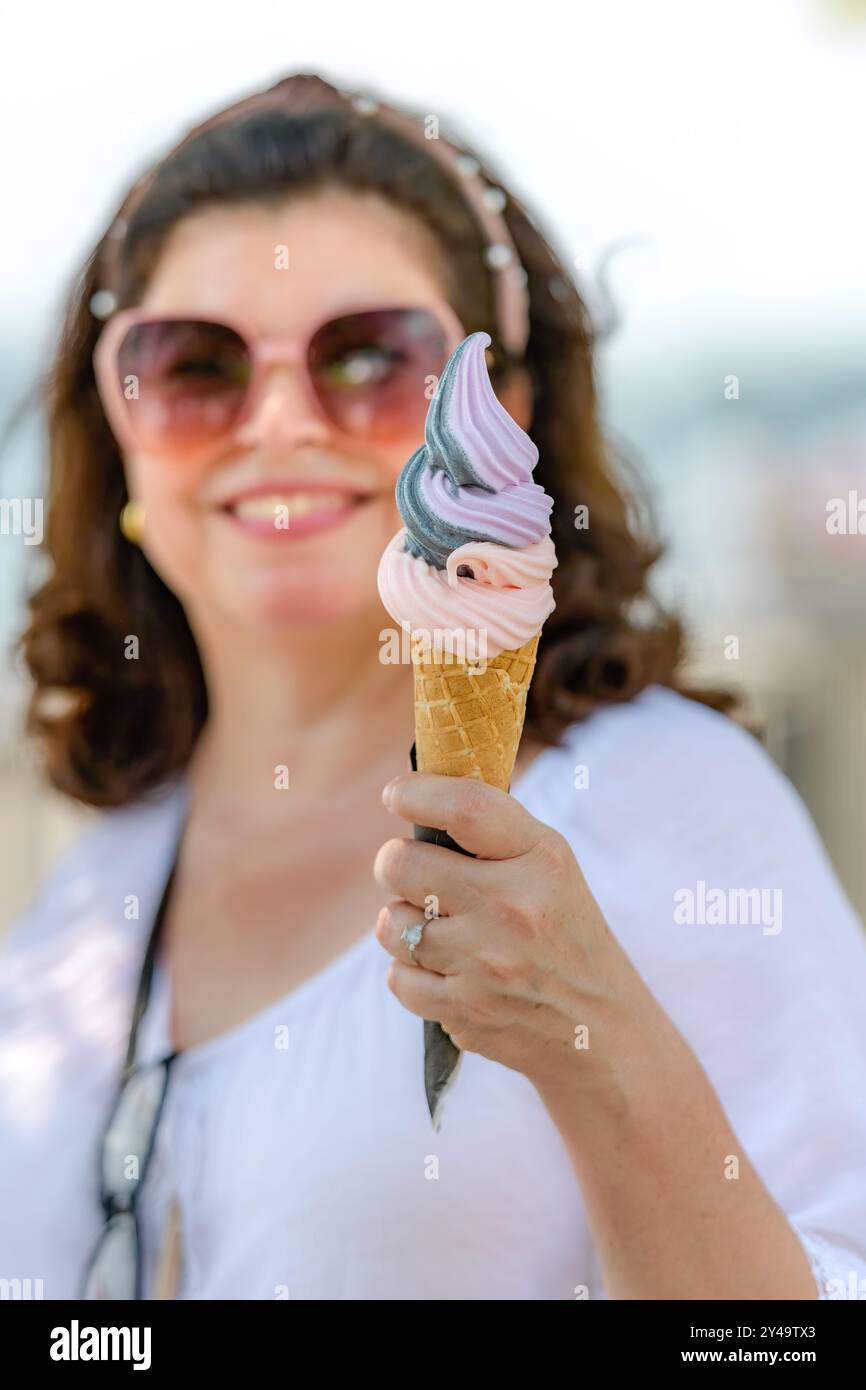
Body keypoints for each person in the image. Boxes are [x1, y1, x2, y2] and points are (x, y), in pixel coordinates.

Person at [1, 72, 865, 1301]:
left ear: (501, 416)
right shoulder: (99, 876)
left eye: (368, 356)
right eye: (194, 364)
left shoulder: (659, 799)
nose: (280, 419)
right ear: (117, 428)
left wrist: (597, 1043)